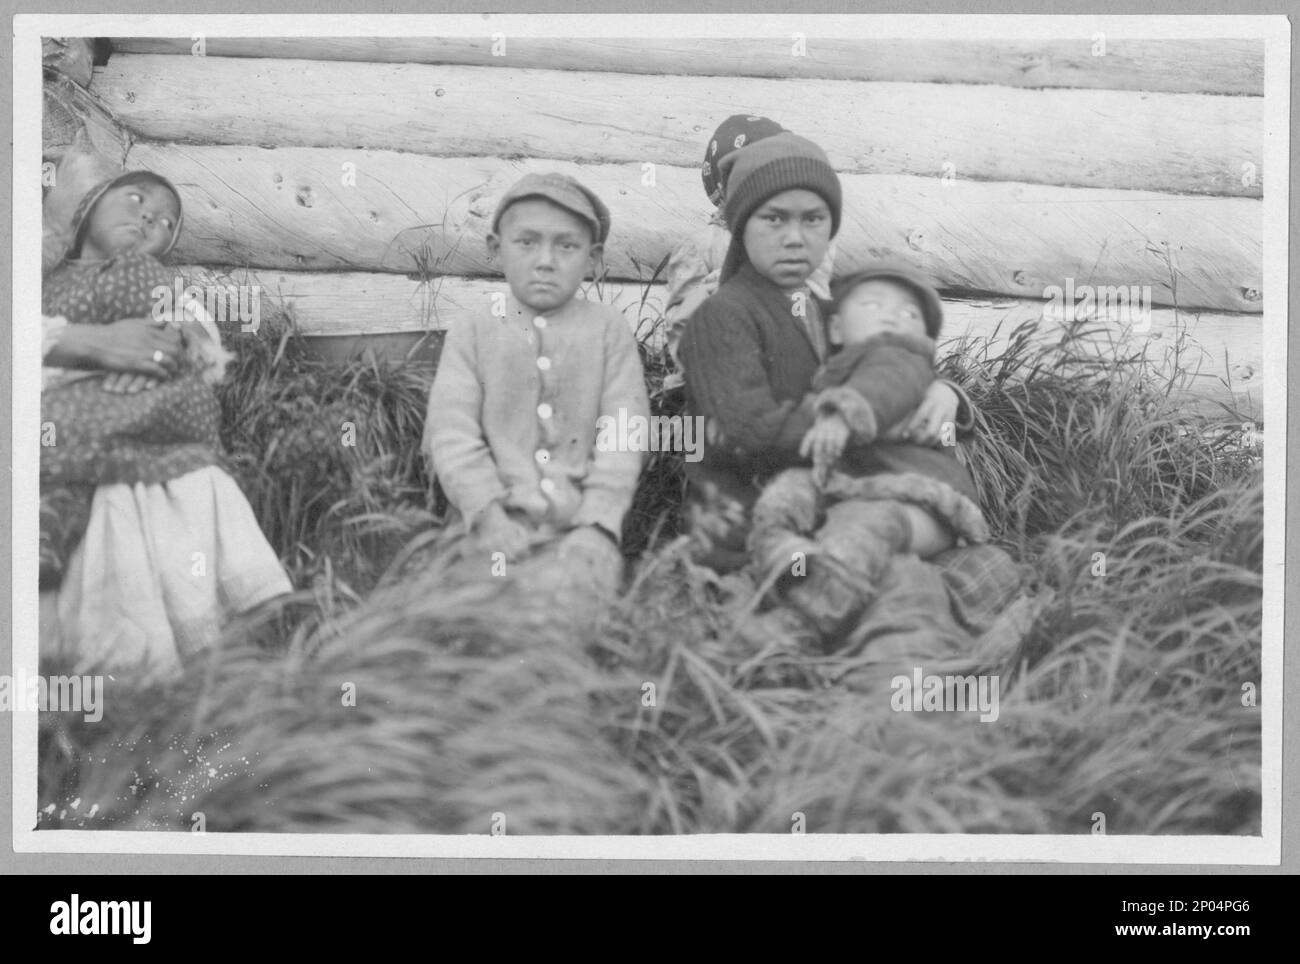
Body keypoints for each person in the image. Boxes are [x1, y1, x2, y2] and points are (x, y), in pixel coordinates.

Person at [678, 132, 1022, 646]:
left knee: (993, 568)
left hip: (841, 506)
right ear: (740, 225)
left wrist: (945, 395)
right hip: (757, 522)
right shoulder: (723, 316)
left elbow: (885, 367)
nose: (795, 237)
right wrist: (865, 421)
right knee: (901, 590)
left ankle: (867, 631)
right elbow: (748, 429)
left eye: (812, 220)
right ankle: (803, 637)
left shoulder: (825, 312)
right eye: (774, 219)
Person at [40, 169, 291, 677]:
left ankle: (225, 629)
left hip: (151, 403)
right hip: (72, 397)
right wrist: (103, 351)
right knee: (63, 427)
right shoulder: (46, 278)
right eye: (134, 198)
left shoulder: (143, 274)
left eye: (167, 222)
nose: (151, 216)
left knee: (183, 461)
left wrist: (170, 336)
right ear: (87, 206)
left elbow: (198, 338)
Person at [423, 172, 650, 590]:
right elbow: (451, 433)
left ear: (593, 258)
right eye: (527, 242)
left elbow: (624, 436)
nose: (546, 260)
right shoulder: (474, 329)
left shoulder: (608, 331)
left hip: (577, 530)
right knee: (471, 617)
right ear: (496, 249)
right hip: (486, 526)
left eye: (567, 246)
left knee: (568, 609)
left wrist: (597, 524)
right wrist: (487, 514)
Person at [747, 264, 992, 640]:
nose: (893, 316)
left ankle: (809, 620)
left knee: (866, 526)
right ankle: (784, 553)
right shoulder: (833, 373)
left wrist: (844, 417)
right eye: (873, 305)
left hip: (922, 500)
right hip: (853, 487)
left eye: (910, 314)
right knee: (787, 492)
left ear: (923, 337)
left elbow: (886, 388)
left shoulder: (899, 360)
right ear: (836, 329)